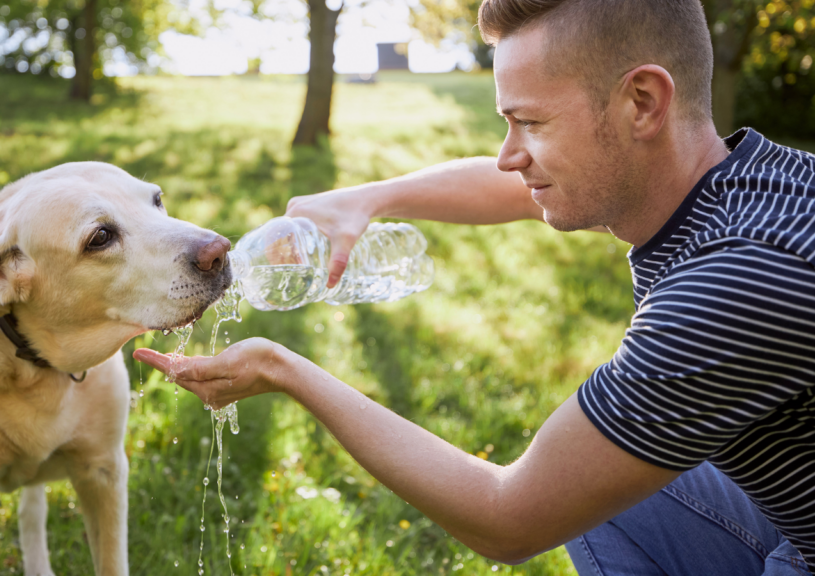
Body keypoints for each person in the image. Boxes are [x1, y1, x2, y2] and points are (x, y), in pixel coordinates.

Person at [136, 0, 815, 573]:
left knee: (567, 486)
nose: (509, 154)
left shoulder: (735, 284)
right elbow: (519, 187)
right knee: (601, 478)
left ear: (643, 101)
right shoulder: (749, 183)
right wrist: (371, 198)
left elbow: (509, 519)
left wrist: (285, 370)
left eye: (532, 122)